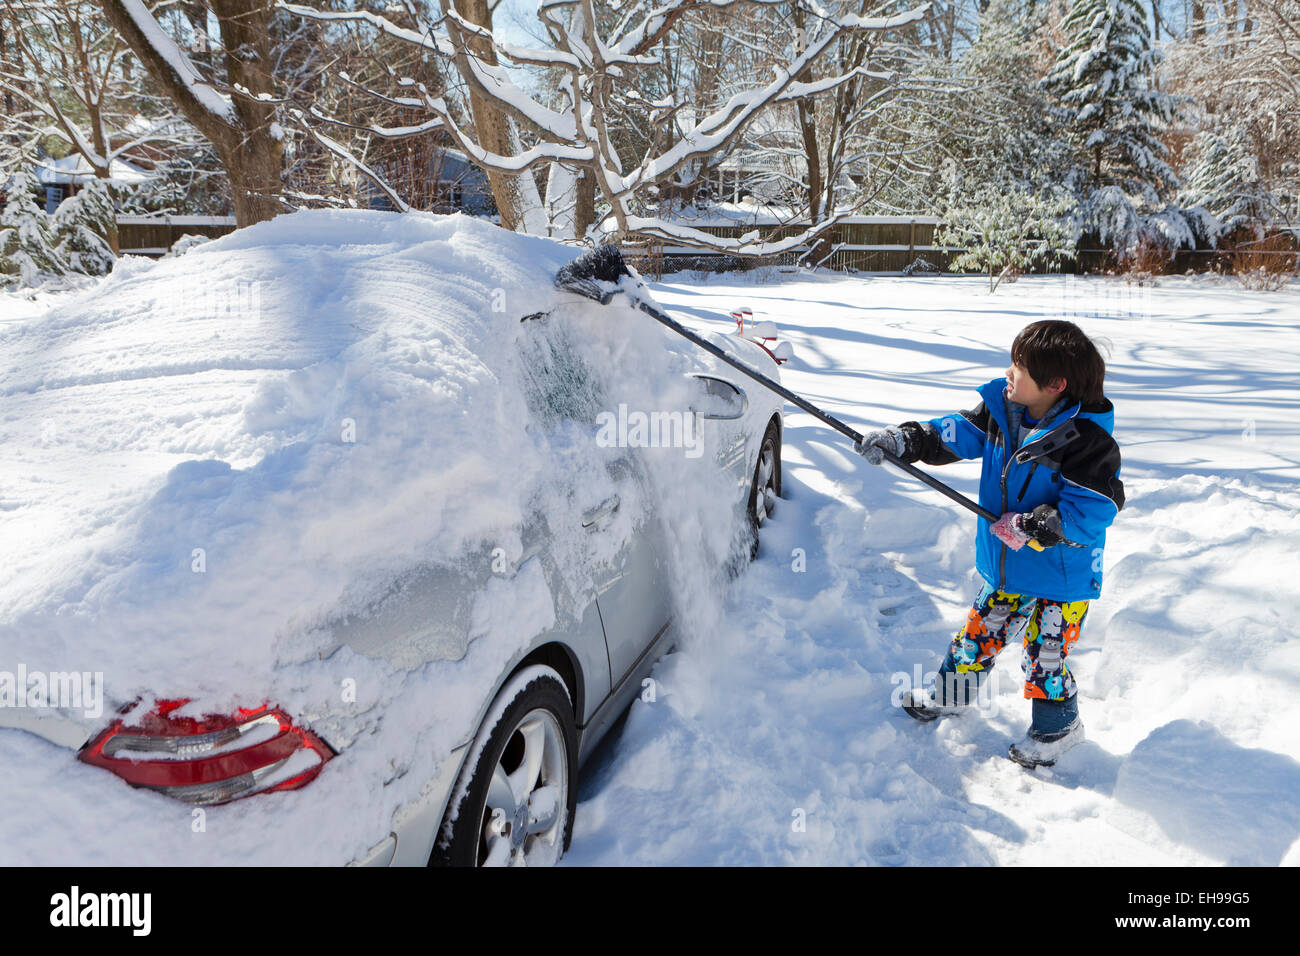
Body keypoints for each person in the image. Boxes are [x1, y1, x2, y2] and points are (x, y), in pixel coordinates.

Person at [856, 320, 1124, 768]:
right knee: (977, 635)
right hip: (1008, 567)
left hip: (1062, 575)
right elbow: (952, 433)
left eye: (1019, 367)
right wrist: (905, 440)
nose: (1008, 373)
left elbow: (1093, 511)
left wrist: (1032, 526)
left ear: (1055, 385)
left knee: (1045, 654)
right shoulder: (1005, 411)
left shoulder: (1087, 442)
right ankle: (951, 698)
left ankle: (1057, 730)